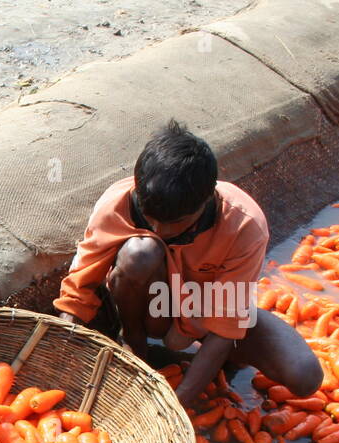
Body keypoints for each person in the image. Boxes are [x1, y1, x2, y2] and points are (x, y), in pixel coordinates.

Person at [54, 120, 322, 406]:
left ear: (207, 199)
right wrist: (57, 347)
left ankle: (220, 362)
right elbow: (78, 288)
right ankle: (134, 343)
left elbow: (224, 324)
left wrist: (178, 406)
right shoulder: (117, 204)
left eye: (176, 223)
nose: (159, 230)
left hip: (208, 310)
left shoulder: (244, 225)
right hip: (148, 306)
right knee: (140, 254)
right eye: (149, 217)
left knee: (305, 376)